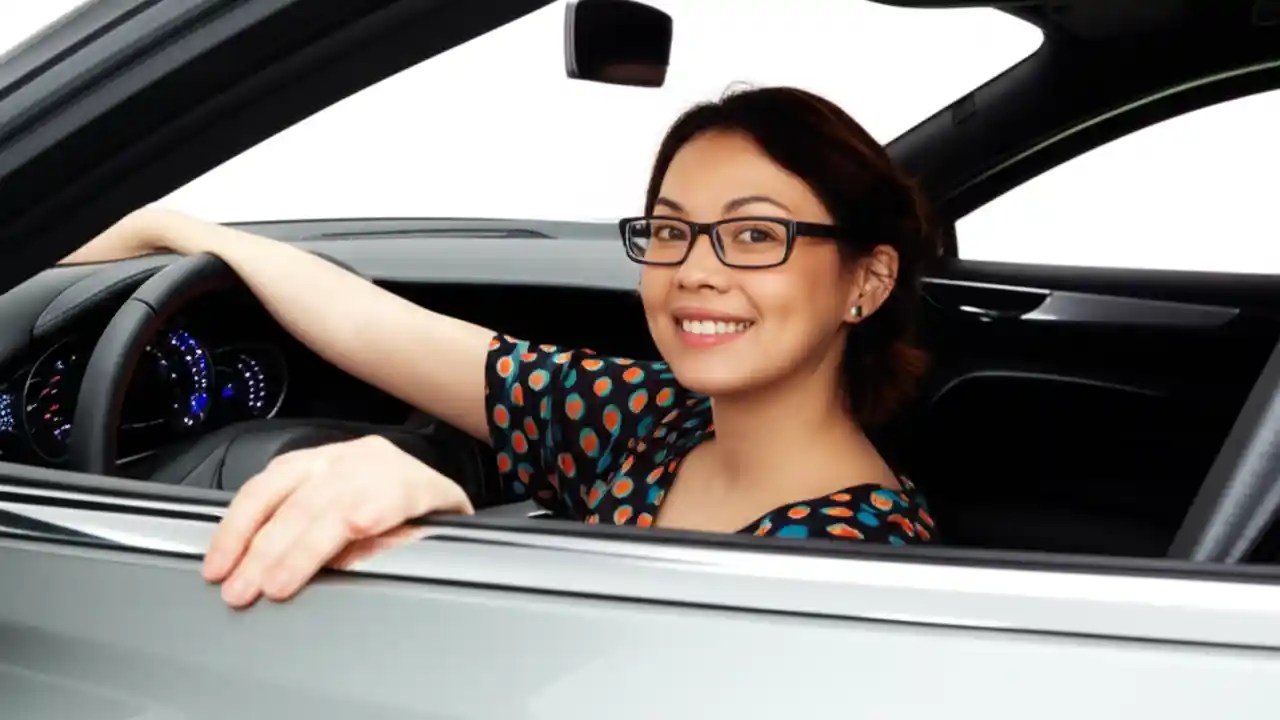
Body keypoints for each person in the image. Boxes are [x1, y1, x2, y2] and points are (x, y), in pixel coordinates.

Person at [63, 86, 940, 608]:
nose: (695, 271)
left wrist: (448, 540)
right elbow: (384, 332)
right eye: (671, 231)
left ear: (866, 282)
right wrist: (171, 227)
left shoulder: (853, 560)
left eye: (754, 236)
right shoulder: (658, 420)